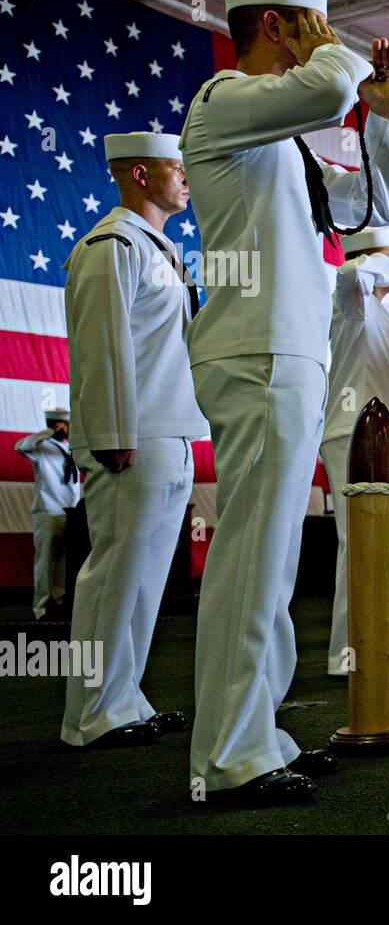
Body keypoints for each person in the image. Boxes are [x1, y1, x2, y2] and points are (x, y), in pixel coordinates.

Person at [180, 0, 389, 806]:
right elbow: (326, 91)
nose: (329, 38)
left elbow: (365, 209)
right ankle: (227, 757)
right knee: (251, 558)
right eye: (316, 24)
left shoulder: (278, 133)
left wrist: (383, 111)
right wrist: (336, 64)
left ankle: (260, 734)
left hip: (287, 357)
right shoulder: (223, 99)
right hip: (254, 354)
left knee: (273, 564)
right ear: (279, 26)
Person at [57, 132, 207, 748]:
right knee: (114, 573)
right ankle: (90, 712)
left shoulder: (157, 248)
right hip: (133, 433)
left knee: (145, 577)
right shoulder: (109, 247)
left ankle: (124, 699)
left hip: (168, 427)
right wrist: (114, 432)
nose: (187, 179)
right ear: (140, 174)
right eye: (177, 169)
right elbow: (103, 346)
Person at [320, 227, 389, 676]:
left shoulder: (381, 314)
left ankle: (378, 643)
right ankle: (347, 654)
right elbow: (348, 276)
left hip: (384, 442)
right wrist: (376, 257)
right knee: (357, 545)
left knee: (383, 547)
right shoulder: (355, 306)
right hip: (351, 434)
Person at [15, 410, 79, 619]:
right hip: (48, 509)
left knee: (62, 559)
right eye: (62, 424)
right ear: (53, 424)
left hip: (70, 510)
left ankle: (58, 599)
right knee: (46, 560)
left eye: (67, 424)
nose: (67, 428)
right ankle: (41, 607)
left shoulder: (70, 448)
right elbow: (21, 446)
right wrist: (46, 433)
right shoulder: (40, 447)